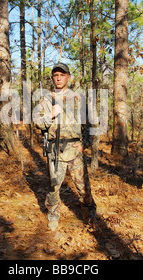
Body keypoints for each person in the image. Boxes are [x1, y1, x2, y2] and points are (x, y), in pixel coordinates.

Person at [33, 62, 96, 231]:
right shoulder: (46, 100)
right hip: (55, 151)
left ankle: (89, 213)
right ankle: (53, 215)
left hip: (75, 150)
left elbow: (90, 125)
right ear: (53, 78)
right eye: (56, 75)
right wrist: (50, 114)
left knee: (83, 186)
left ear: (69, 77)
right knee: (54, 187)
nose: (59, 78)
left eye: (62, 75)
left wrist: (85, 144)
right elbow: (38, 122)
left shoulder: (78, 98)